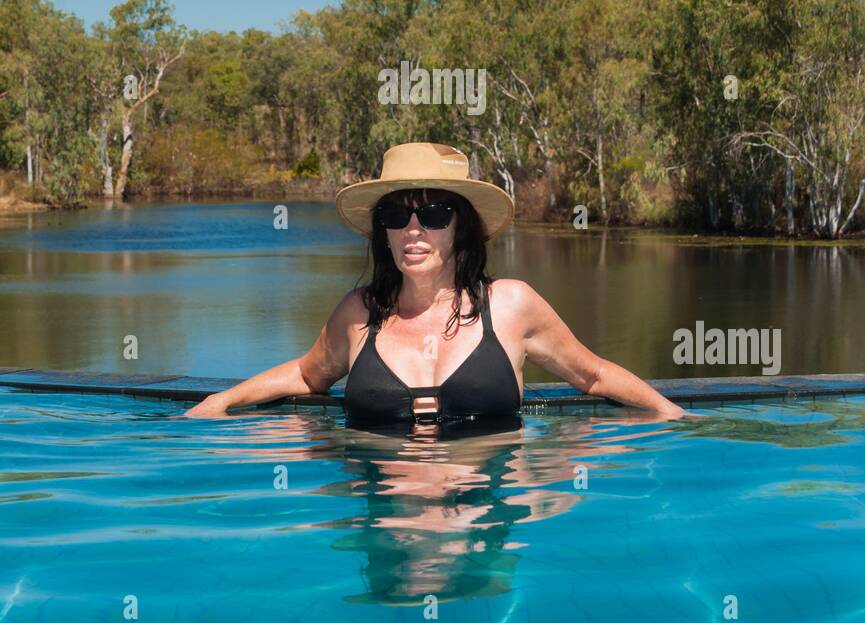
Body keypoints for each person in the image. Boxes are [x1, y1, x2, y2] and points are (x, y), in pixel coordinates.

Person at [185, 142, 685, 425]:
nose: (414, 228)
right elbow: (307, 376)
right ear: (383, 230)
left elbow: (592, 376)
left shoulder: (510, 305)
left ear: (461, 226)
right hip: (383, 509)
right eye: (396, 213)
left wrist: (673, 416)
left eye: (434, 212)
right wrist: (222, 401)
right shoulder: (358, 313)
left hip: (486, 507)